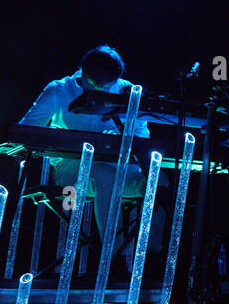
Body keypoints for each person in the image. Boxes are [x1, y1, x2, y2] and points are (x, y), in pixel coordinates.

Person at [20, 44, 165, 260]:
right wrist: (60, 138)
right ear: (84, 72)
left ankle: (152, 255)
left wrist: (120, 130)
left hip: (121, 167)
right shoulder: (59, 90)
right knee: (106, 176)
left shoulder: (126, 90)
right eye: (97, 86)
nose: (103, 91)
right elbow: (26, 131)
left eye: (108, 86)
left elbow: (141, 134)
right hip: (71, 170)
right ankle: (113, 257)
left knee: (159, 181)